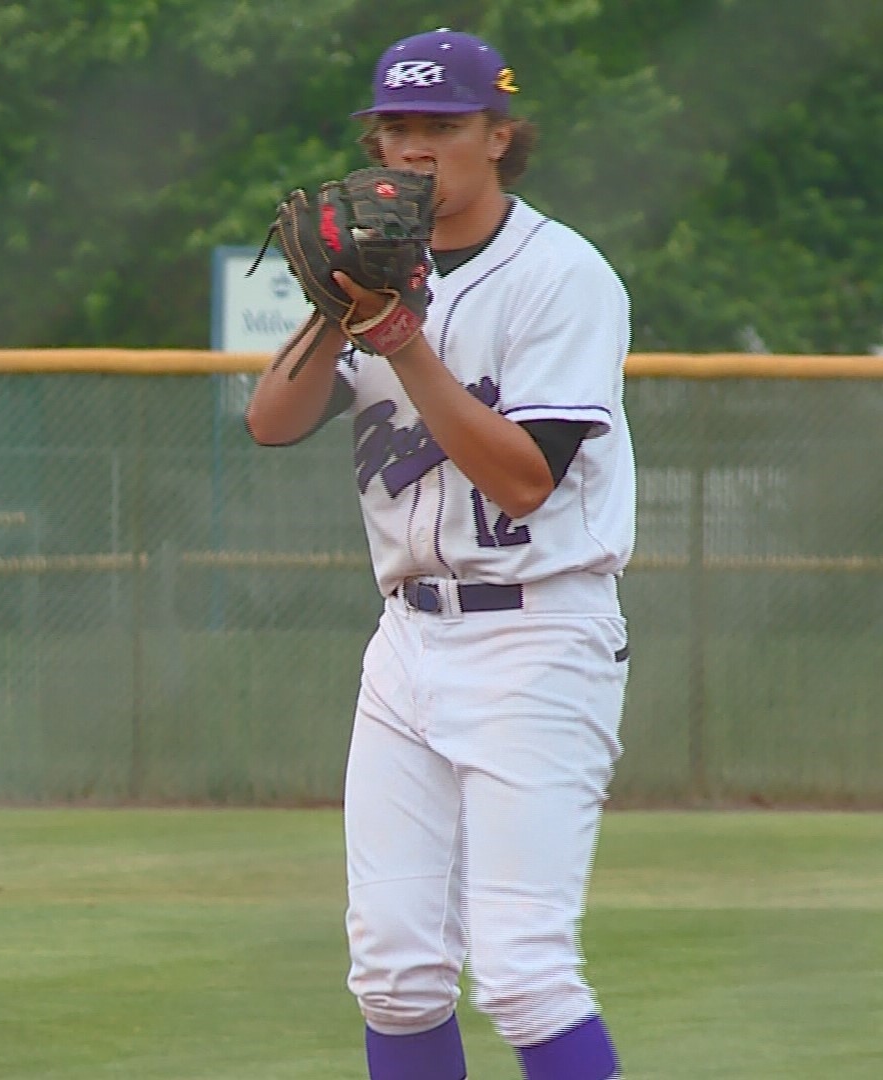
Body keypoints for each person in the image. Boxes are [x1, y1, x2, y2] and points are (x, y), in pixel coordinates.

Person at [243, 27, 636, 1080]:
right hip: (406, 645)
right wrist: (341, 311)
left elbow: (522, 480)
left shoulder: (560, 276)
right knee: (396, 975)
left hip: (537, 634)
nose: (415, 150)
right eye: (397, 127)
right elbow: (271, 422)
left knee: (523, 973)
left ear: (500, 136)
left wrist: (402, 339)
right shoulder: (367, 277)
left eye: (445, 127)